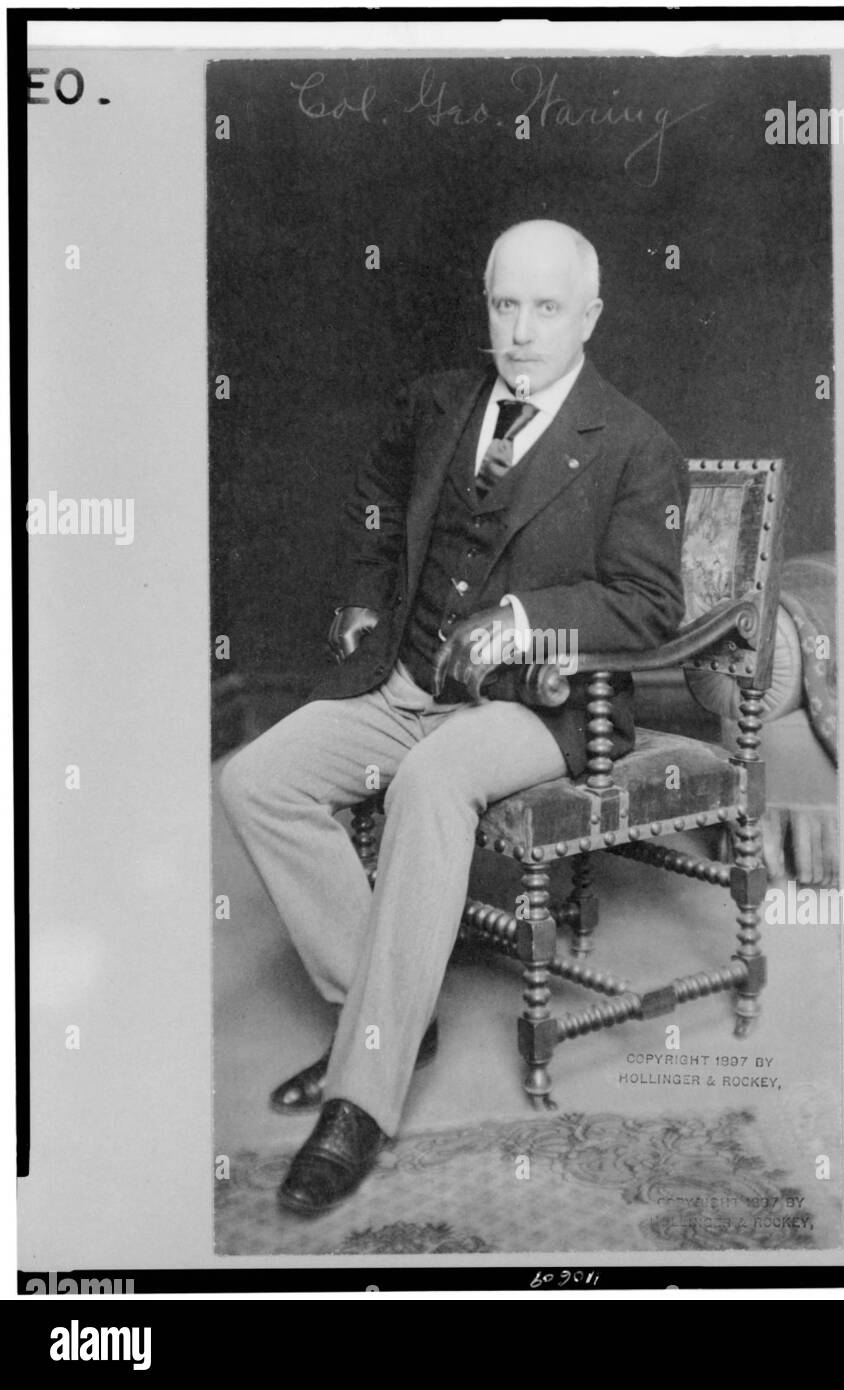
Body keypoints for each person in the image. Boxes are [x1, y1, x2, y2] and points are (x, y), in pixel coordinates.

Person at [219, 219, 689, 1216]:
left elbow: (650, 605)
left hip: (539, 706)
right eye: (503, 304)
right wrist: (360, 596)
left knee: (433, 782)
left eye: (546, 308)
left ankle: (361, 1095)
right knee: (256, 780)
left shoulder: (636, 445)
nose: (520, 331)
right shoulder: (438, 402)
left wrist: (522, 621)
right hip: (407, 682)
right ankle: (388, 1008)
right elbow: (378, 504)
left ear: (590, 315)